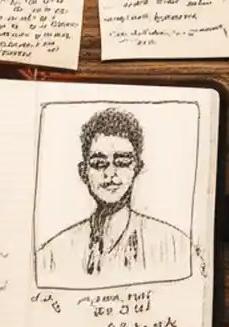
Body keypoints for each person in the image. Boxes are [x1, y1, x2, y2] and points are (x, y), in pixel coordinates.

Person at [36, 107, 191, 287]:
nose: (110, 173)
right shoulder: (53, 254)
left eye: (122, 162)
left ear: (137, 168)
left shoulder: (174, 245)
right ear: (83, 172)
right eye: (99, 164)